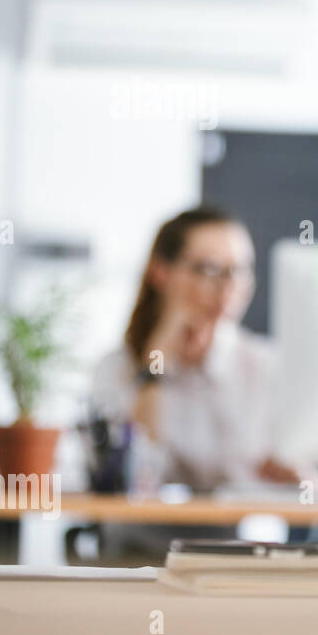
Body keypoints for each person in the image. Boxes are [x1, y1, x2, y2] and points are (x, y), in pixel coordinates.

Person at [91, 205, 299, 494]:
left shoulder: (264, 365)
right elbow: (134, 480)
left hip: (245, 536)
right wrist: (155, 365)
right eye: (209, 269)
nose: (229, 286)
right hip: (141, 537)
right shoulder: (116, 369)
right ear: (161, 273)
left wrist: (300, 474)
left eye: (240, 270)